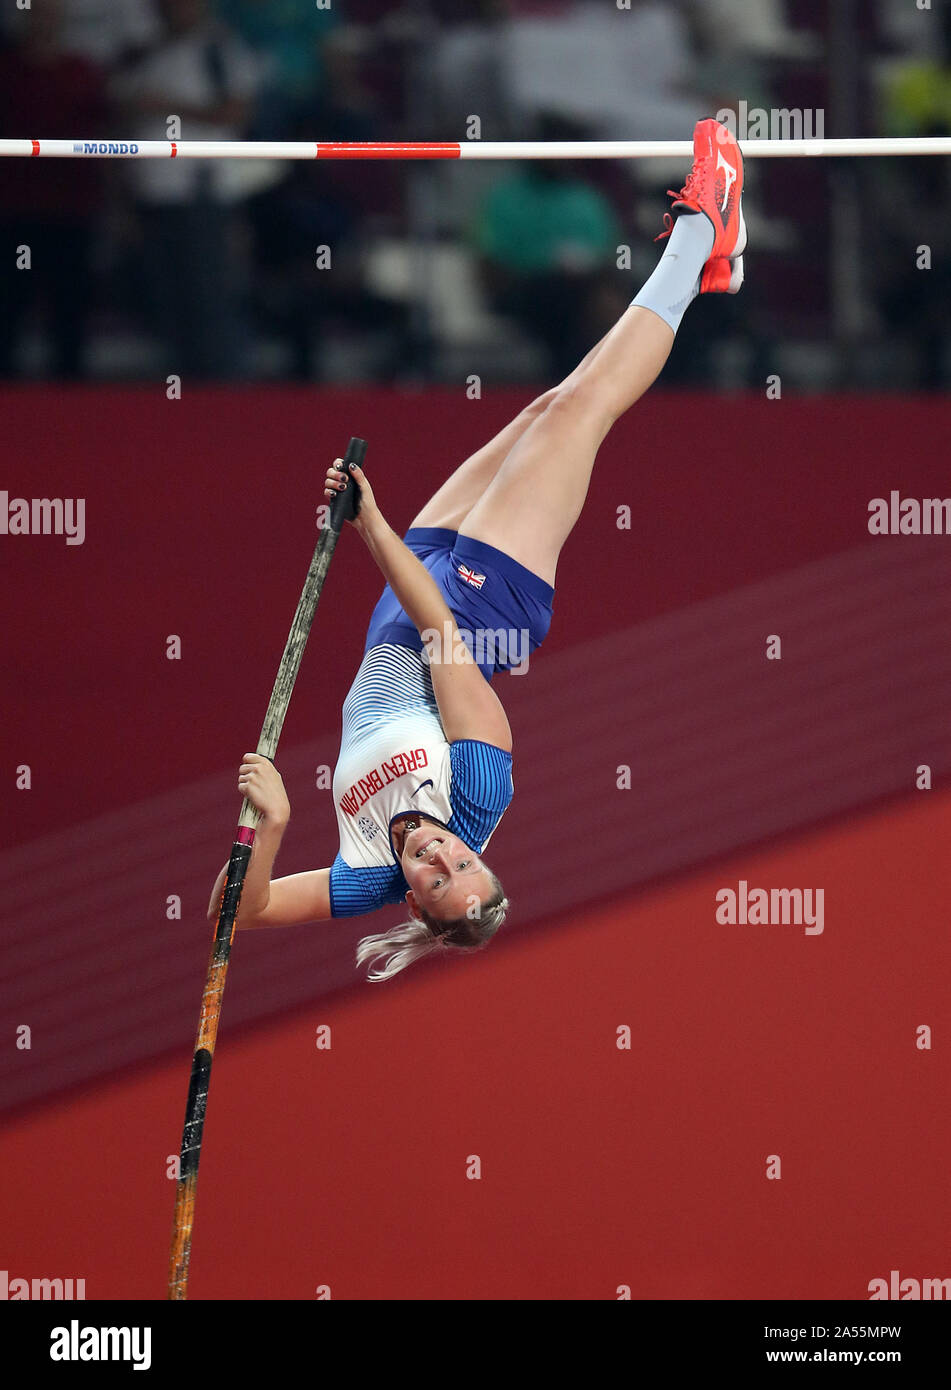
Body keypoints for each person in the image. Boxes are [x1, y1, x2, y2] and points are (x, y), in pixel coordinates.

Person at [206, 119, 747, 980]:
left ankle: (707, 265)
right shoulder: (477, 793)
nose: (442, 859)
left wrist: (269, 830)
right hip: (480, 607)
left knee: (551, 408)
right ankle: (703, 229)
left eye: (437, 878)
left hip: (420, 582)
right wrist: (369, 526)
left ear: (412, 903)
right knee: (582, 411)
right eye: (465, 865)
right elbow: (441, 638)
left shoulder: (362, 873)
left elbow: (240, 914)